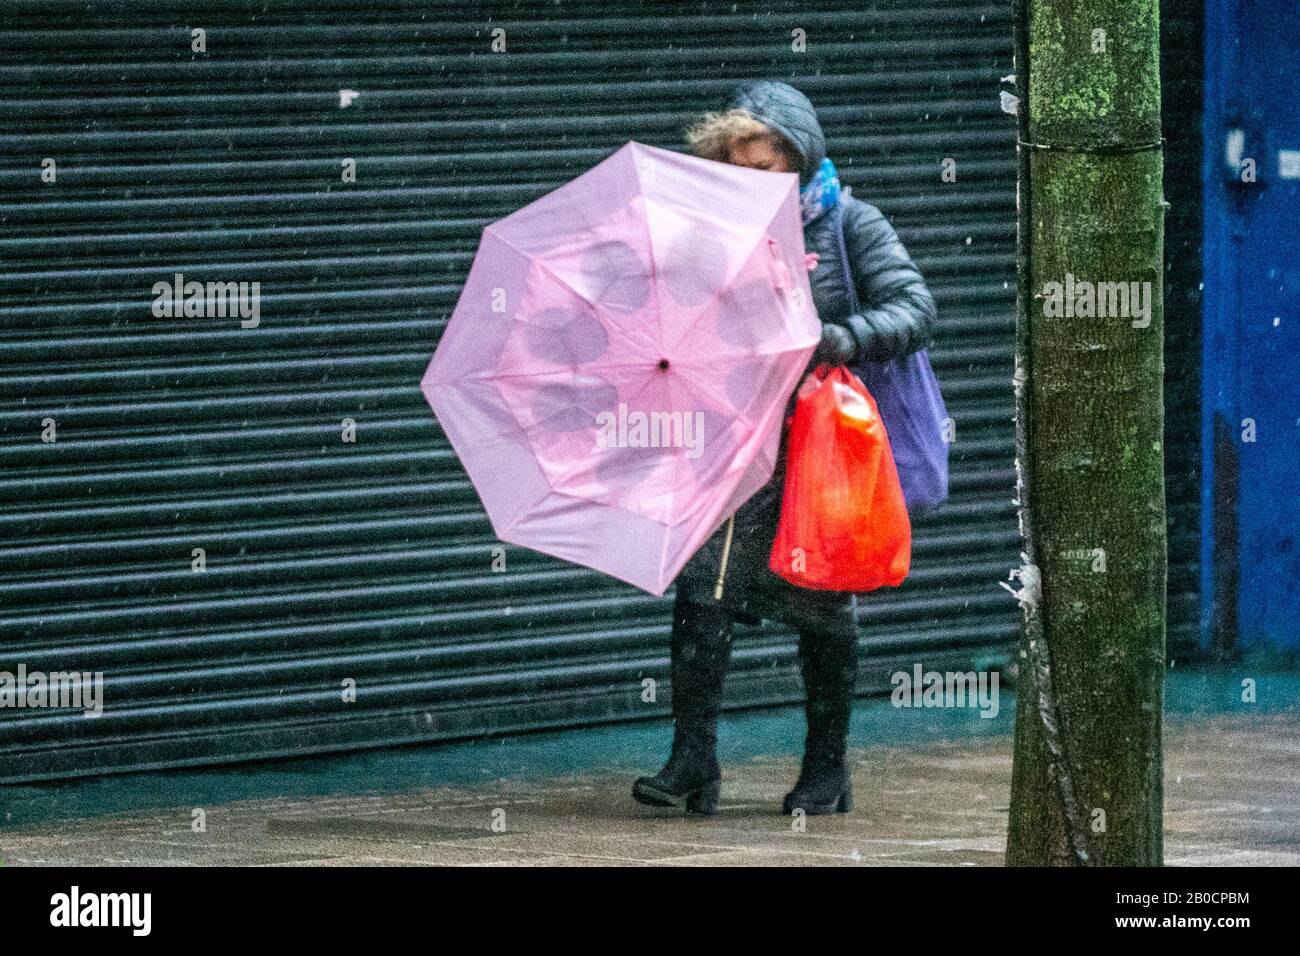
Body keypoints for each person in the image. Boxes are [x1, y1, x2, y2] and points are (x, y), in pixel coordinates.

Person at [632, 80, 936, 816]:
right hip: (736, 444)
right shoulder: (710, 237)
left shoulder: (849, 223)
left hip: (820, 452)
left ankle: (826, 771)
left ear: (800, 161)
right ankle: (693, 760)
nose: (752, 184)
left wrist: (839, 338)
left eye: (766, 168)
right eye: (737, 169)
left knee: (823, 607)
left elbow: (914, 307)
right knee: (702, 589)